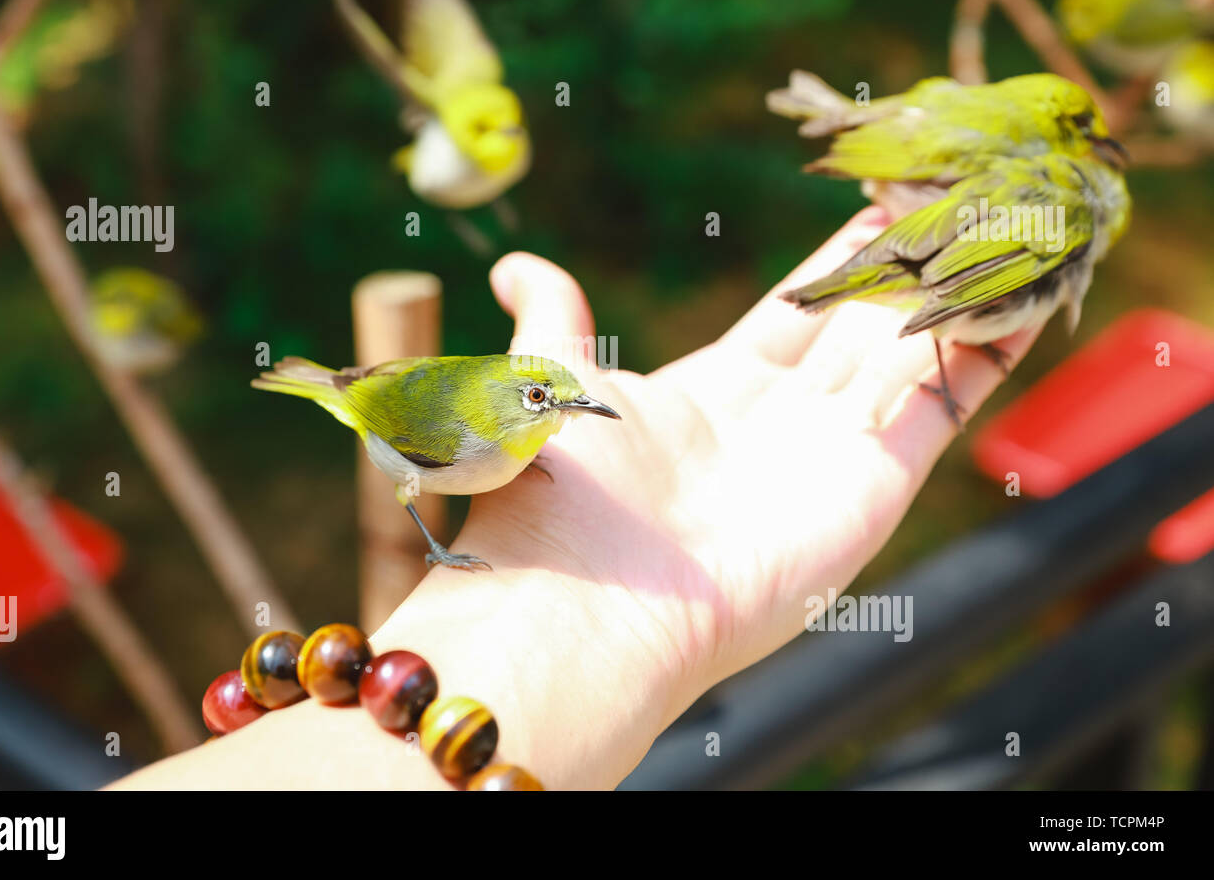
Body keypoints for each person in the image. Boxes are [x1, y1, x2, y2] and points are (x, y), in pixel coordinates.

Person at [111, 207, 1037, 790]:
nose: (567, 412)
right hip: (377, 405)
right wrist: (451, 543)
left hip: (426, 394)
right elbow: (398, 423)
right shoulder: (467, 436)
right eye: (547, 403)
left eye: (564, 401)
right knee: (410, 482)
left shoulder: (522, 419)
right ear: (518, 405)